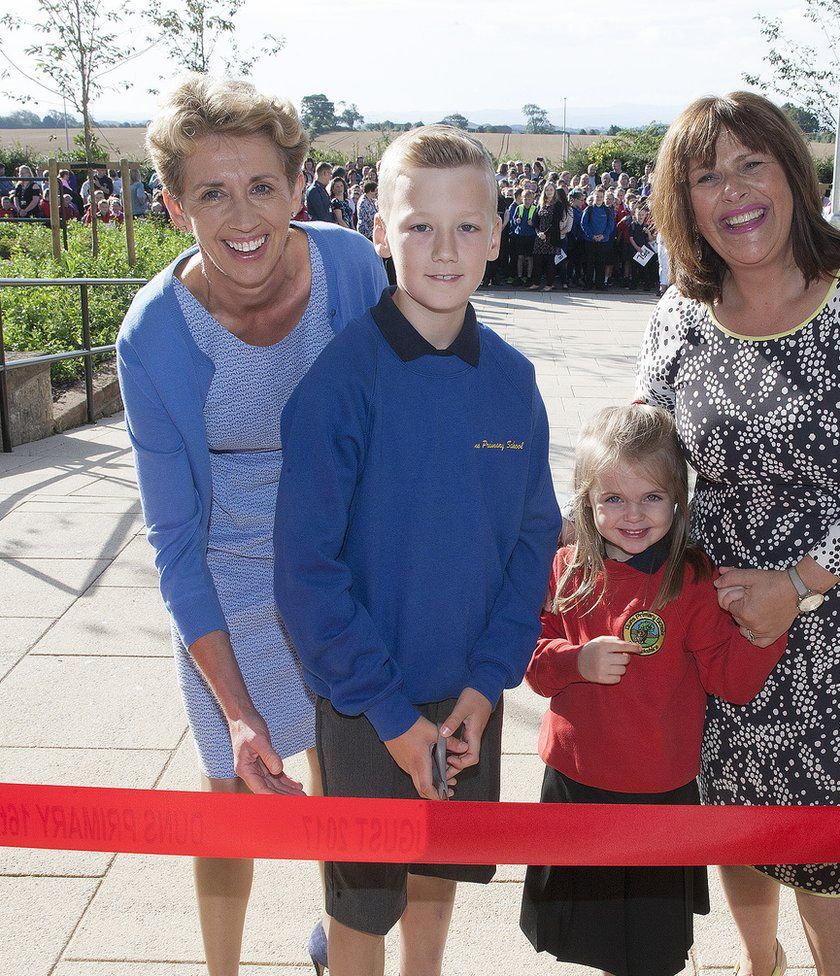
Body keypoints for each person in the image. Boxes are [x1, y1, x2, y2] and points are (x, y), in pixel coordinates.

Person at [636, 91, 840, 976]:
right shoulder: (679, 313)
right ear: (684, 202)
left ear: (790, 172)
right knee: (735, 800)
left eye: (750, 164)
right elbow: (651, 453)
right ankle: (756, 961)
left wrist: (802, 583)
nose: (732, 191)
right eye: (706, 176)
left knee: (829, 823)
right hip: (723, 600)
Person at [273, 124, 561, 976]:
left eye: (467, 226)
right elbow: (306, 576)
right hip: (368, 702)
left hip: (469, 693)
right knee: (362, 903)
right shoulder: (339, 383)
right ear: (377, 230)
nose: (445, 250)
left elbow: (533, 535)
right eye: (419, 226)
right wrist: (393, 719)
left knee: (439, 872)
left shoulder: (512, 380)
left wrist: (486, 682)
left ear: (498, 234)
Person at [116, 74, 386, 976]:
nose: (243, 214)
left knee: (350, 764)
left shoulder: (350, 267)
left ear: (298, 189)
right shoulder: (153, 334)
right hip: (228, 559)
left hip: (344, 549)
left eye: (262, 186)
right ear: (172, 204)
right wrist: (236, 711)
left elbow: (403, 417)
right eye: (211, 192)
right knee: (230, 790)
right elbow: (173, 544)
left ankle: (340, 938)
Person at [520, 404, 786, 976]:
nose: (633, 515)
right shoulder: (565, 569)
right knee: (587, 938)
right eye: (613, 499)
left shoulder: (692, 581)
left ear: (678, 502)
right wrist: (575, 661)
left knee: (652, 948)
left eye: (652, 498)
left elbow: (731, 683)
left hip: (659, 789)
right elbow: (533, 665)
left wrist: (765, 630)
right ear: (586, 502)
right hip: (577, 779)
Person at [530, 181, 564, 291]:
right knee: (537, 261)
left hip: (551, 237)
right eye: (547, 189)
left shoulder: (558, 205)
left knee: (550, 262)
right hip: (539, 237)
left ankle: (549, 284)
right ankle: (536, 283)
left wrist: (545, 234)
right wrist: (539, 233)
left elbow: (555, 222)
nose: (549, 192)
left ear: (554, 191)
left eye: (551, 190)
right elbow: (535, 221)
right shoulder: (540, 204)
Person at [581, 188, 615, 290]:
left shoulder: (607, 210)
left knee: (601, 263)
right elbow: (583, 224)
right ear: (594, 197)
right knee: (589, 263)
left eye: (601, 197)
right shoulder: (589, 209)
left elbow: (611, 225)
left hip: (603, 241)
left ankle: (600, 284)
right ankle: (588, 284)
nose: (599, 198)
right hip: (590, 241)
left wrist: (603, 235)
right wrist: (592, 236)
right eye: (597, 196)